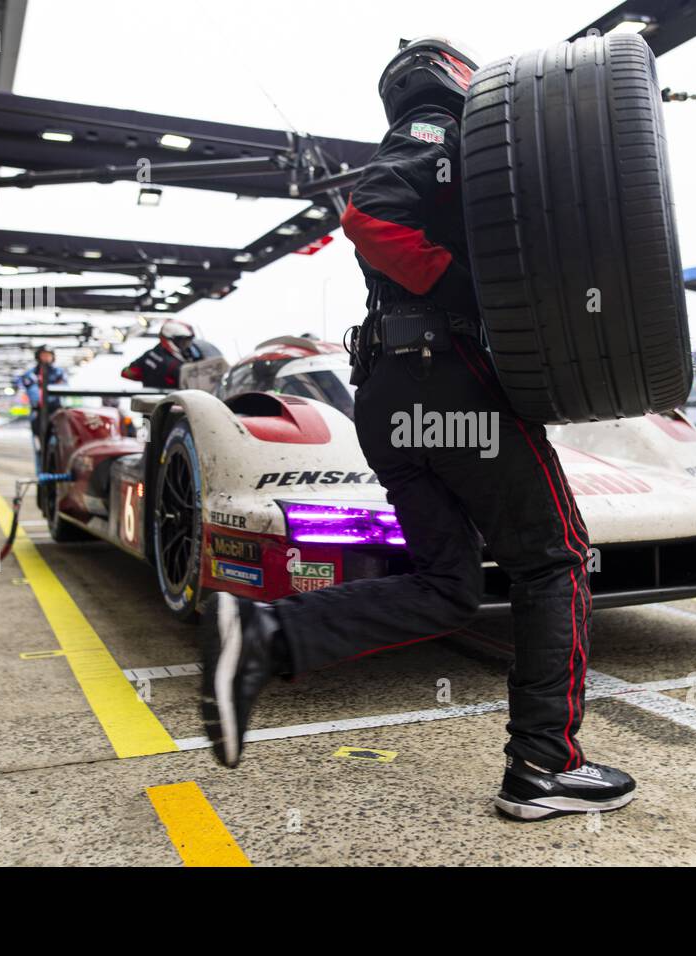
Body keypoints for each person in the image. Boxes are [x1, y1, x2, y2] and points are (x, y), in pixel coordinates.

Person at [197, 36, 633, 821]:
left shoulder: (450, 156)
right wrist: (477, 293)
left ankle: (263, 635)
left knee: (447, 588)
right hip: (448, 382)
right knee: (554, 561)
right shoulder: (437, 129)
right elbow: (369, 219)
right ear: (451, 79)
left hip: (393, 396)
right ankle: (544, 766)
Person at [13, 345, 68, 469]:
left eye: (49, 355)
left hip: (56, 413)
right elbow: (34, 394)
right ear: (38, 357)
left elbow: (63, 388)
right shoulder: (31, 374)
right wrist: (43, 397)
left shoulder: (59, 372)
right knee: (39, 448)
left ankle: (58, 472)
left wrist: (46, 395)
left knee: (58, 445)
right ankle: (42, 475)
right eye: (43, 355)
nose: (46, 358)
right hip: (38, 415)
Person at [121, 319, 206, 389]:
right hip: (172, 405)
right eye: (183, 343)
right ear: (171, 340)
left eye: (188, 342)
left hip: (152, 403)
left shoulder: (150, 354)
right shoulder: (176, 365)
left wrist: (148, 376)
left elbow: (127, 373)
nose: (187, 347)